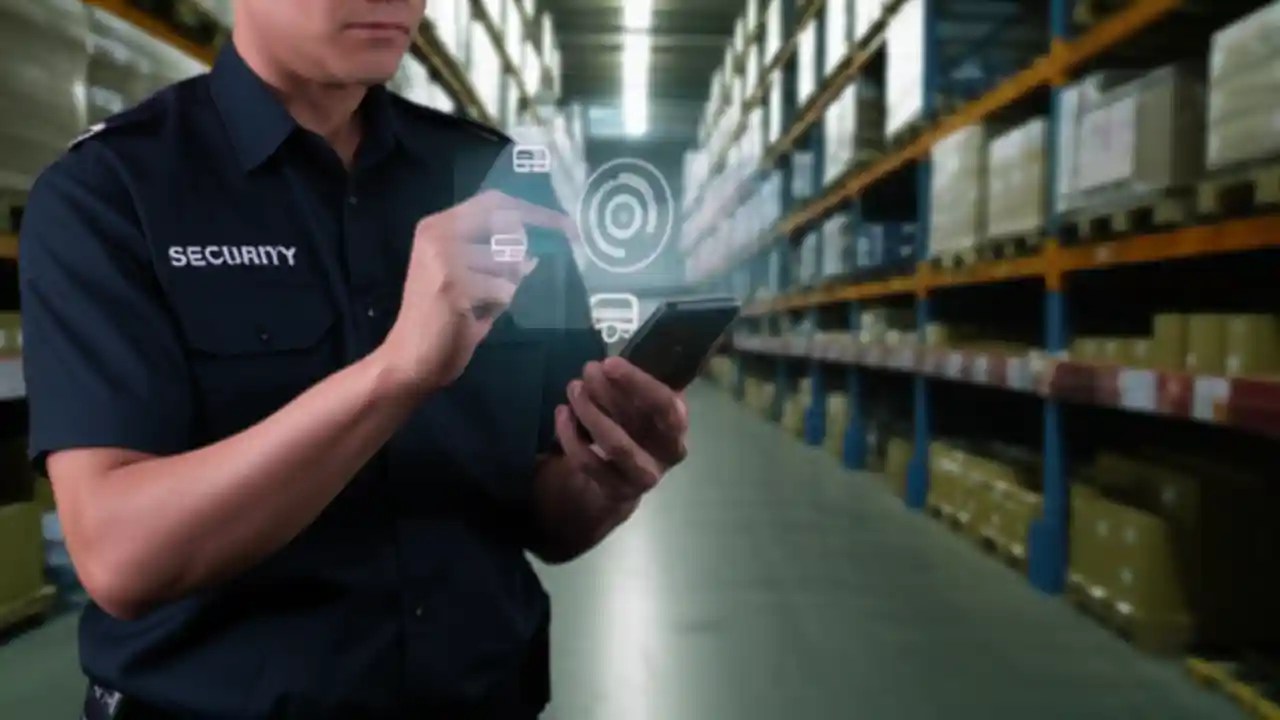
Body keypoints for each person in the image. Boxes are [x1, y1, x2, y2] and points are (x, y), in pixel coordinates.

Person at [18, 0, 689, 717]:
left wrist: (606, 481)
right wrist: (394, 374)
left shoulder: (494, 175)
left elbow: (546, 514)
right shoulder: (112, 193)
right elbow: (121, 557)